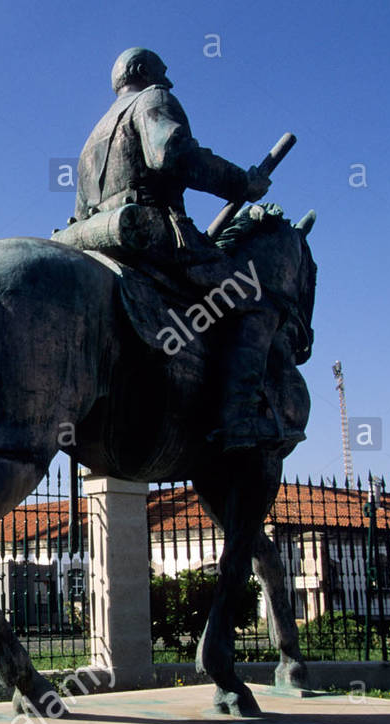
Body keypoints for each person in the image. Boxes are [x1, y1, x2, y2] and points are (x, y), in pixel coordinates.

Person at [74, 47, 293, 451]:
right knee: (256, 302)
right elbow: (172, 153)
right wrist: (243, 183)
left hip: (102, 240)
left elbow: (79, 213)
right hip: (157, 235)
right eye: (162, 73)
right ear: (142, 71)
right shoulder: (152, 100)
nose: (168, 82)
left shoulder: (94, 135)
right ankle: (238, 418)